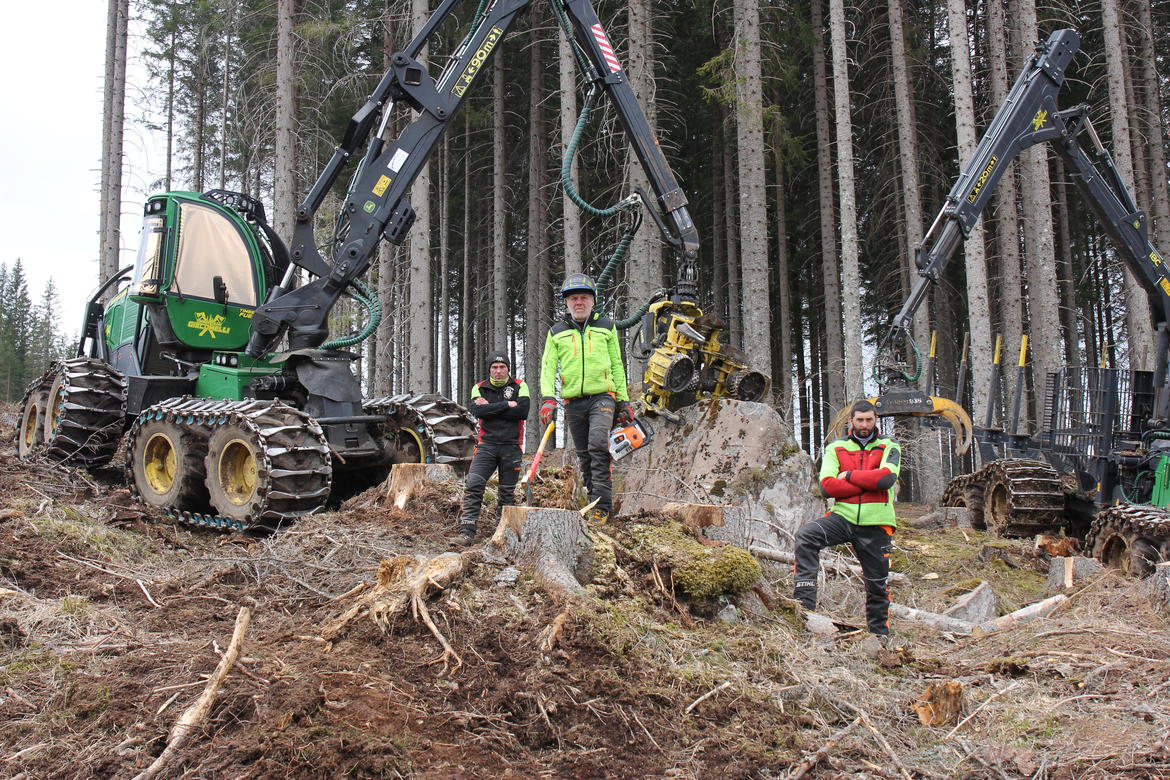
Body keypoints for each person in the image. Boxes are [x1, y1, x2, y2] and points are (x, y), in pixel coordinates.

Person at [793, 400, 902, 636]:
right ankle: (804, 611)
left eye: (869, 420)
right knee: (806, 536)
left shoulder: (889, 445)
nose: (864, 424)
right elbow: (827, 487)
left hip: (877, 522)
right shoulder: (836, 447)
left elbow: (885, 480)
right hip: (843, 516)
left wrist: (850, 475)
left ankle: (879, 637)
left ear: (875, 421)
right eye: (860, 419)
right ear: (851, 421)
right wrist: (866, 485)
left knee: (877, 585)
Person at [539, 273, 633, 522]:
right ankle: (594, 503)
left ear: (593, 301)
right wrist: (548, 398)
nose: (578, 302)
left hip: (603, 397)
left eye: (583, 298)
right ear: (567, 303)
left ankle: (603, 507)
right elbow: (548, 367)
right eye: (573, 299)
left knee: (598, 446)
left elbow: (617, 364)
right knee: (584, 454)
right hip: (573, 401)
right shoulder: (556, 331)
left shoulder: (606, 326)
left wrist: (622, 401)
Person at [454, 351, 530, 544]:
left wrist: (492, 408)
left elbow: (522, 412)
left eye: (502, 367)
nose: (498, 371)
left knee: (507, 493)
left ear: (508, 369)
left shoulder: (520, 385)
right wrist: (507, 405)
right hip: (486, 446)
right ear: (489, 369)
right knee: (474, 485)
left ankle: (502, 533)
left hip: (512, 447)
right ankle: (466, 532)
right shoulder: (479, 387)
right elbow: (478, 411)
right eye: (494, 367)